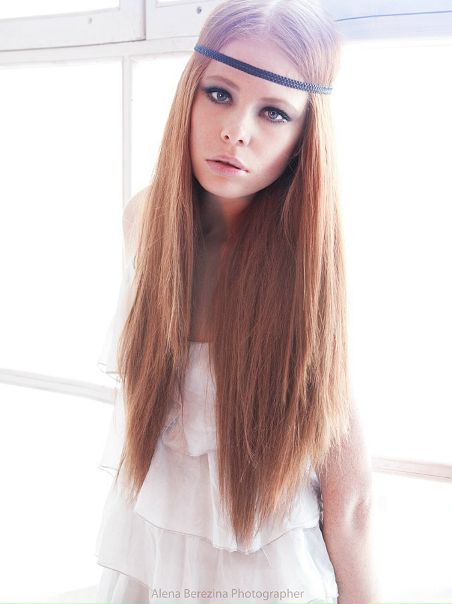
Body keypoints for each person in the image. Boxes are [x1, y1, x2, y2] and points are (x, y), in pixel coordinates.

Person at [95, 1, 380, 603]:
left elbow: (350, 501)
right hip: (149, 559)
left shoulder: (308, 261)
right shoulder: (144, 221)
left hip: (268, 577)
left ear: (304, 137)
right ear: (189, 95)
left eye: (273, 112)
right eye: (220, 94)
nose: (236, 131)